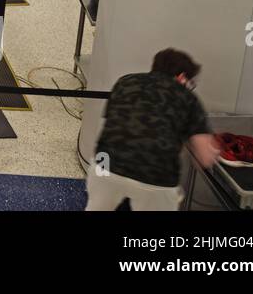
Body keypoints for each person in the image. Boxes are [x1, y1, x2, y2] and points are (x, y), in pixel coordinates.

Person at [88, 48, 219, 211]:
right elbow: (205, 158)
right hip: (156, 175)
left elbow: (111, 123)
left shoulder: (125, 82)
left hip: (105, 164)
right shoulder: (188, 98)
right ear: (181, 77)